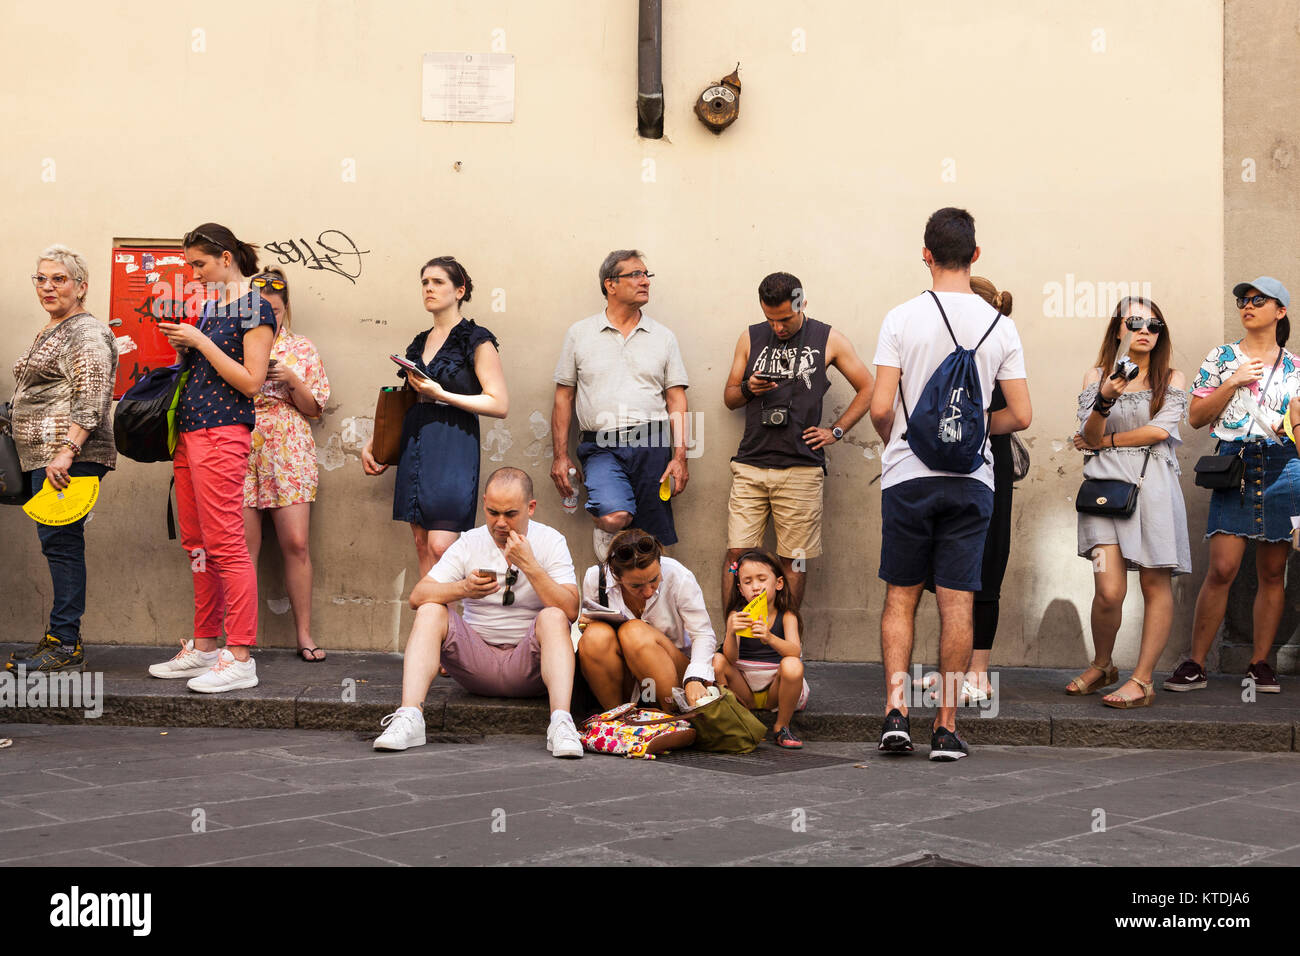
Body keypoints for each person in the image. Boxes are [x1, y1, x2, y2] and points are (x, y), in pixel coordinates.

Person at [868, 208, 1032, 760]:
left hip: (907, 478)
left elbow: (881, 405)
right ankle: (945, 727)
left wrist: (904, 440)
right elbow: (1023, 415)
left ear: (926, 254)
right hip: (972, 480)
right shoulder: (1000, 326)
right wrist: (972, 427)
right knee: (958, 600)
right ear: (976, 256)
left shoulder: (900, 318)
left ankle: (895, 715)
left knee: (901, 596)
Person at [372, 468, 584, 757]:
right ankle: (410, 717)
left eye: (510, 514)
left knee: (554, 616)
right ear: (483, 502)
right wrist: (463, 589)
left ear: (531, 508)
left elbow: (571, 608)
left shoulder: (551, 541)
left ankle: (561, 723)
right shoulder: (470, 541)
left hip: (530, 667)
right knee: (431, 610)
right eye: (492, 512)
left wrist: (530, 566)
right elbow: (417, 596)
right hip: (476, 663)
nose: (500, 523)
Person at [147, 223, 276, 693]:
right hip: (189, 431)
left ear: (226, 257)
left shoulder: (255, 306)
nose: (194, 273)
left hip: (223, 433)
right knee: (197, 544)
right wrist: (187, 343)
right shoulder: (210, 307)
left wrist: (200, 342)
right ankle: (204, 646)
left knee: (226, 545)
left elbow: (250, 382)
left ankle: (240, 655)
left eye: (199, 263)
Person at [1167, 276, 1298, 695]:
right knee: (1222, 567)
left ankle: (1260, 663)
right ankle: (1196, 663)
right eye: (1244, 298)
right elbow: (1196, 418)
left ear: (1280, 312)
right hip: (1236, 462)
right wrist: (1232, 381)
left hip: (1282, 464)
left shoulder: (1295, 366)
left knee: (1273, 570)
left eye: (1260, 300)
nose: (1248, 304)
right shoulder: (1222, 357)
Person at [721, 272, 875, 610]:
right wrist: (749, 388)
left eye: (785, 319)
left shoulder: (828, 338)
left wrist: (835, 431)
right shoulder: (750, 338)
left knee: (795, 559)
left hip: (801, 469)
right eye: (770, 319)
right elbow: (730, 397)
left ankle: (787, 641)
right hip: (751, 464)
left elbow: (869, 387)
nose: (777, 327)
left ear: (801, 303)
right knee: (736, 554)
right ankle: (734, 640)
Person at [1069, 298, 1190, 707]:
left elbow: (1158, 431)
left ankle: (1142, 680)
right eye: (1135, 321)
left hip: (1152, 487)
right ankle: (1104, 665)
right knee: (1108, 589)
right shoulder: (1097, 375)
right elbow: (1087, 427)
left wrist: (1104, 441)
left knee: (1155, 583)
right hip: (1104, 491)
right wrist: (1105, 398)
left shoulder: (1172, 377)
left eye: (1154, 324)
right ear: (1118, 329)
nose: (1145, 330)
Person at [5, 245, 117, 673]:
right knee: (56, 545)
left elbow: (92, 397)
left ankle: (65, 642)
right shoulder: (54, 328)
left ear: (81, 286)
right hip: (46, 456)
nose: (48, 287)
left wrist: (67, 451)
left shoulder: (84, 333)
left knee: (63, 546)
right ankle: (58, 637)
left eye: (59, 279)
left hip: (67, 457)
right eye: (41, 279)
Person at [362, 257, 507, 577]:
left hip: (454, 442)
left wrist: (442, 394)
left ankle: (446, 622)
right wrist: (375, 442)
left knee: (442, 546)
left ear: (460, 290)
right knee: (421, 542)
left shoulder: (476, 338)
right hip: (417, 438)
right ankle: (435, 622)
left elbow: (499, 403)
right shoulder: (418, 342)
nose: (429, 288)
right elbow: (406, 398)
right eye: (425, 282)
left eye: (438, 282)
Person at [551, 250, 690, 561]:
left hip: (652, 445)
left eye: (646, 275)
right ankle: (604, 529)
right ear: (610, 284)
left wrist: (680, 457)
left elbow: (676, 399)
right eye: (636, 275)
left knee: (650, 544)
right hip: (601, 447)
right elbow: (563, 397)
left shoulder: (663, 337)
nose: (645, 282)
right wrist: (560, 456)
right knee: (615, 517)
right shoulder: (580, 334)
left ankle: (644, 608)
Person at [242, 268, 332, 662]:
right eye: (260, 308)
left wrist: (292, 378)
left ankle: (305, 635)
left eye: (275, 310)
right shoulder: (232, 344)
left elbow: (315, 410)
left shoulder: (303, 348)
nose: (268, 316)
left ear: (286, 309)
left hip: (288, 447)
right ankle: (239, 639)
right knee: (243, 549)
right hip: (241, 444)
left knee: (296, 543)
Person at [577, 528, 716, 711]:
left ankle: (671, 717)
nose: (649, 591)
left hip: (674, 674)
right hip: (626, 675)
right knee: (595, 635)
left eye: (654, 580)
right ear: (616, 575)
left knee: (634, 631)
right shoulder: (596, 579)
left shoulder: (679, 576)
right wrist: (588, 625)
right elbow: (590, 635)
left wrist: (695, 678)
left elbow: (703, 634)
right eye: (636, 586)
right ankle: (618, 718)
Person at [713, 549, 810, 748]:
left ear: (779, 583)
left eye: (762, 579)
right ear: (740, 589)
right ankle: (732, 720)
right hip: (743, 688)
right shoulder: (737, 615)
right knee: (717, 660)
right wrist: (731, 632)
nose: (755, 587)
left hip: (776, 687)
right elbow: (730, 659)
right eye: (748, 582)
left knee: (793, 665)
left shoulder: (787, 616)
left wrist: (769, 637)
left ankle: (781, 726)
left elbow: (794, 652)